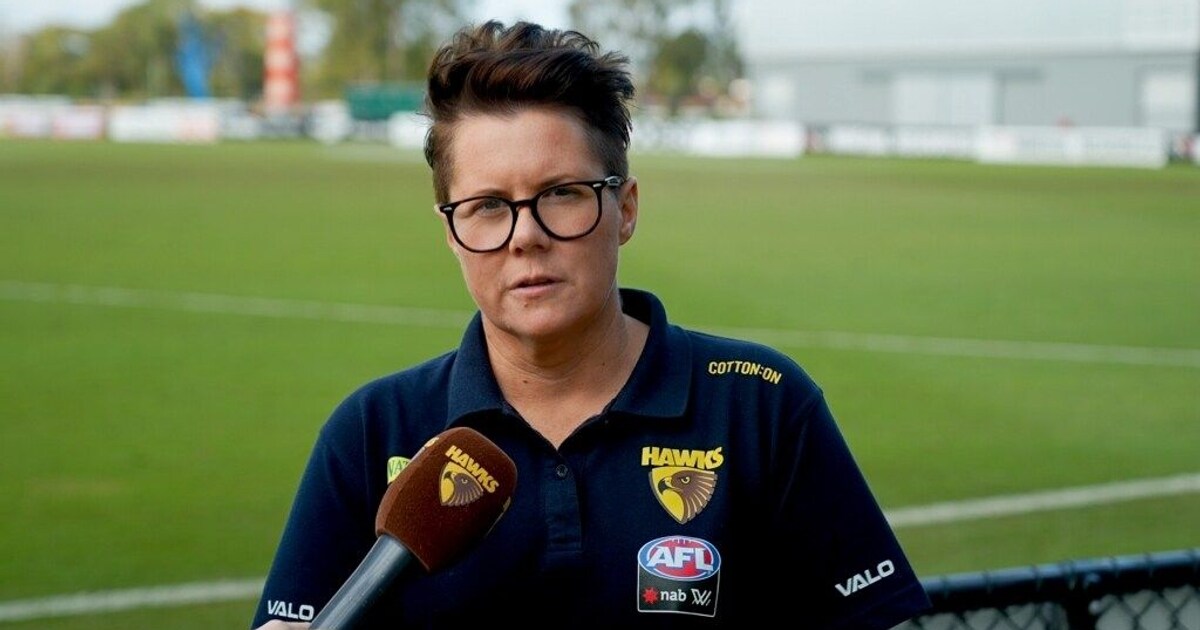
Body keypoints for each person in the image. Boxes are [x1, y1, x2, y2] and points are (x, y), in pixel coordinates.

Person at [253, 19, 930, 629]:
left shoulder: (762, 406)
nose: (525, 238)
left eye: (562, 195)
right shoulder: (374, 432)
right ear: (451, 232)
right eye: (488, 206)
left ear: (625, 208)